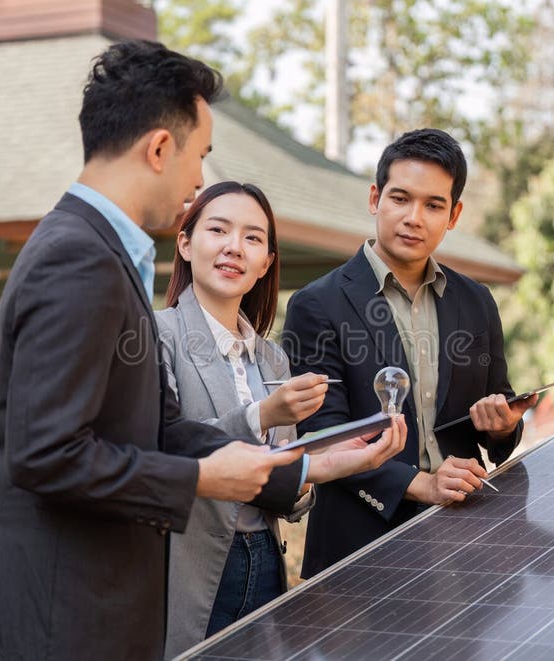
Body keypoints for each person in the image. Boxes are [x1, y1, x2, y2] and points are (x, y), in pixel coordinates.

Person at [0, 41, 309, 661]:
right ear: (161, 148)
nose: (199, 182)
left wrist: (266, 461)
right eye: (201, 157)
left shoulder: (101, 251)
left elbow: (155, 426)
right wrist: (198, 477)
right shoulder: (77, 256)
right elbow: (46, 454)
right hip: (50, 616)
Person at [156, 181, 407, 657]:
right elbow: (164, 446)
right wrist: (262, 414)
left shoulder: (272, 359)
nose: (235, 247)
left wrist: (333, 462)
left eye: (253, 238)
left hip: (267, 559)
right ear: (186, 244)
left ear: (267, 262)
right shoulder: (156, 335)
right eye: (218, 230)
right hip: (187, 567)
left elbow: (283, 487)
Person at [283, 128, 537, 578]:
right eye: (400, 198)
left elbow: (499, 417)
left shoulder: (476, 301)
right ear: (375, 198)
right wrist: (423, 485)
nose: (414, 217)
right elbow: (324, 437)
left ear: (454, 214)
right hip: (359, 549)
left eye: (433, 205)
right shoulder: (316, 304)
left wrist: (502, 426)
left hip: (467, 542)